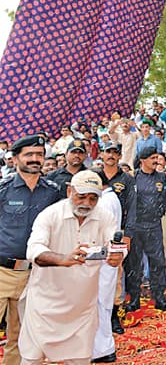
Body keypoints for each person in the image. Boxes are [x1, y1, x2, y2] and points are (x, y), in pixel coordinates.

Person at [19, 170, 124, 365]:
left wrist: (117, 255)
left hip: (82, 308)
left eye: (93, 198)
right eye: (81, 196)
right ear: (69, 191)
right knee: (32, 358)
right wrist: (63, 259)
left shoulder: (104, 216)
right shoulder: (50, 215)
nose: (87, 203)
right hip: (45, 304)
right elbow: (34, 251)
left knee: (80, 358)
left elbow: (115, 244)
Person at [0, 135, 61, 365]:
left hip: (33, 274)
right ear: (15, 159)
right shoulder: (3, 189)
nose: (35, 159)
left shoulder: (53, 192)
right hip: (2, 271)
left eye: (39, 154)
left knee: (22, 336)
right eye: (29, 155)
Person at [124, 147, 166, 312]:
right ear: (142, 160)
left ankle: (159, 297)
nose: (156, 161)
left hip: (154, 225)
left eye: (157, 157)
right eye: (152, 158)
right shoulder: (132, 177)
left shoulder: (161, 177)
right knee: (134, 264)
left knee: (158, 263)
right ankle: (134, 299)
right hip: (136, 226)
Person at [91, 170, 123, 363]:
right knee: (101, 305)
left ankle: (103, 350)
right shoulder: (110, 198)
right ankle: (102, 348)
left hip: (103, 258)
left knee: (100, 306)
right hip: (103, 258)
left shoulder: (105, 201)